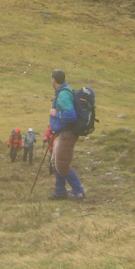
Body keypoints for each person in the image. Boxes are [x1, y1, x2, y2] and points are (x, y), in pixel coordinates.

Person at [48, 69, 85, 199]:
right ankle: (60, 192)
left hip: (67, 133)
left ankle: (78, 191)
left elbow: (71, 116)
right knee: (56, 162)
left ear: (54, 79)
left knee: (62, 164)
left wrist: (55, 114)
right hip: (62, 133)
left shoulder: (63, 94)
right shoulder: (64, 91)